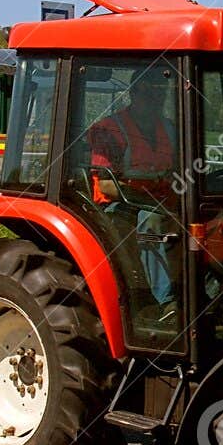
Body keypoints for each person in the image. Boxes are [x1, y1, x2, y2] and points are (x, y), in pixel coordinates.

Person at [88, 69, 180, 321]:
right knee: (149, 221)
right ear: (134, 94)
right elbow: (106, 186)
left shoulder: (171, 129)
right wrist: (148, 200)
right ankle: (166, 302)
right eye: (149, 94)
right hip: (118, 208)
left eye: (160, 95)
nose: (155, 101)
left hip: (162, 201)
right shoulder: (109, 129)